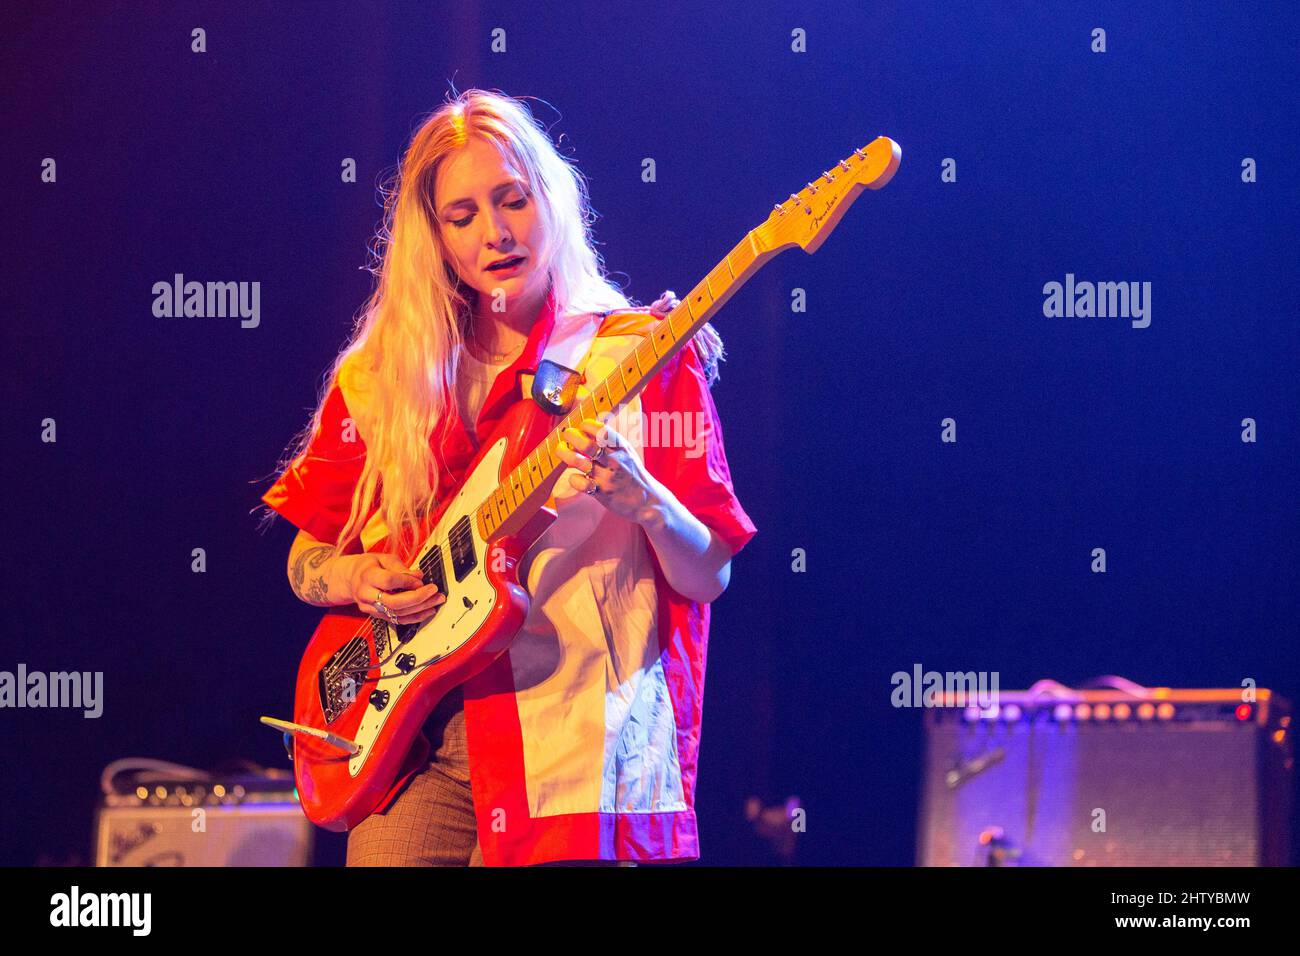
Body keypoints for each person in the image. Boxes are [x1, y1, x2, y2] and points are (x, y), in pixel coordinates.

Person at [259, 89, 756, 866]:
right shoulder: (384, 378)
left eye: (513, 200)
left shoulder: (637, 355)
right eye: (462, 216)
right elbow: (304, 559)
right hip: (414, 737)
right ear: (435, 240)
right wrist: (354, 576)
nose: (495, 233)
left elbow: (710, 575)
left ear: (551, 199)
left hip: (574, 750)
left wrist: (647, 503)